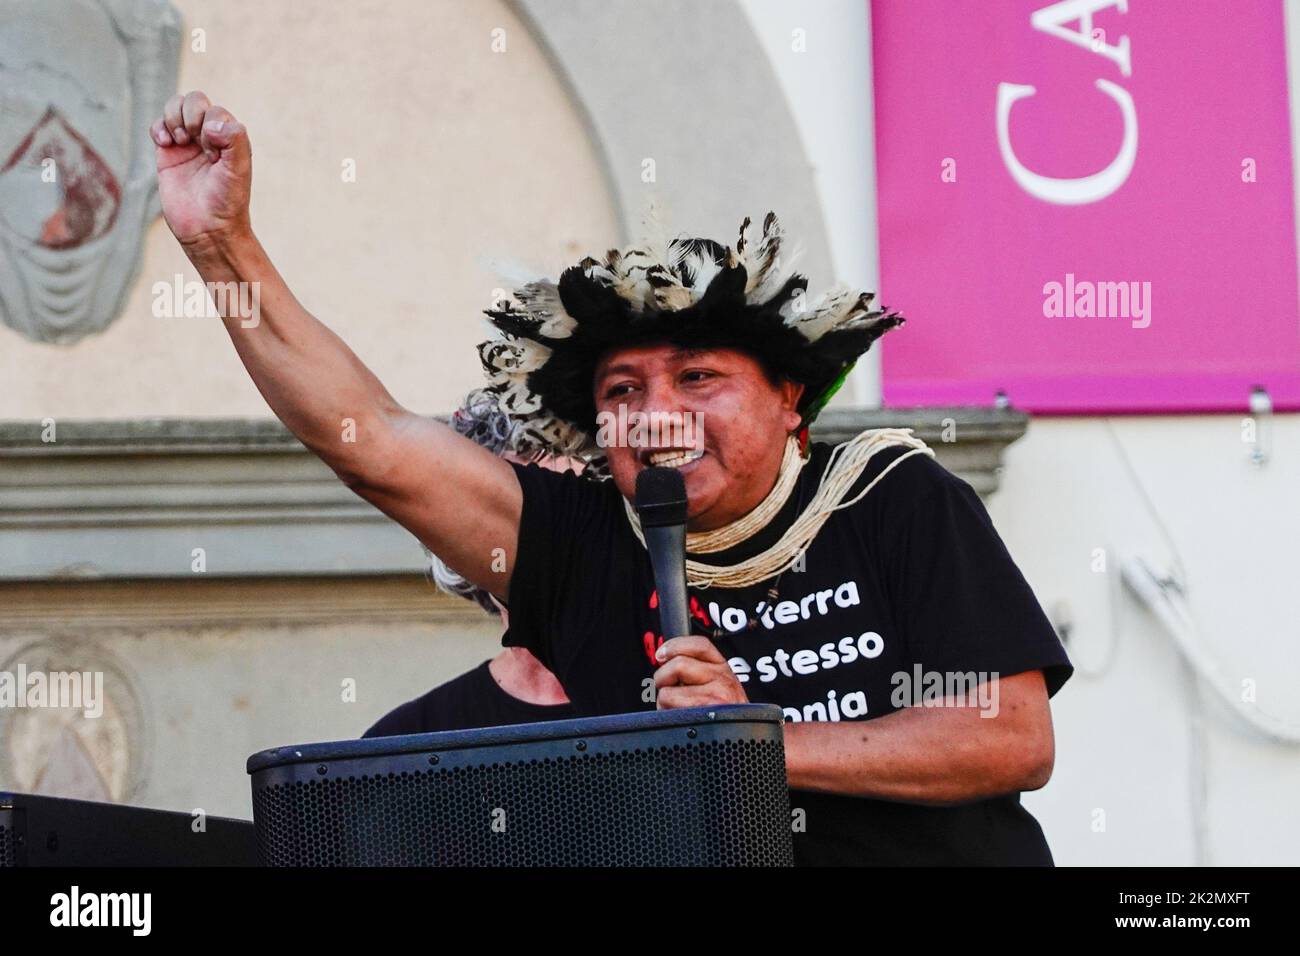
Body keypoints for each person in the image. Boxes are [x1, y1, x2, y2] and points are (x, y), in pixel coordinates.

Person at [151, 91, 1073, 865]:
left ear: (791, 398)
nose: (657, 414)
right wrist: (222, 246)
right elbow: (375, 440)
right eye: (622, 391)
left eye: (697, 377)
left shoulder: (890, 496)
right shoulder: (581, 543)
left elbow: (1007, 737)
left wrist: (747, 743)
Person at [363, 396, 573, 737]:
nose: (546, 536)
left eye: (570, 505)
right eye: (514, 511)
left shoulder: (677, 704)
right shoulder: (406, 745)